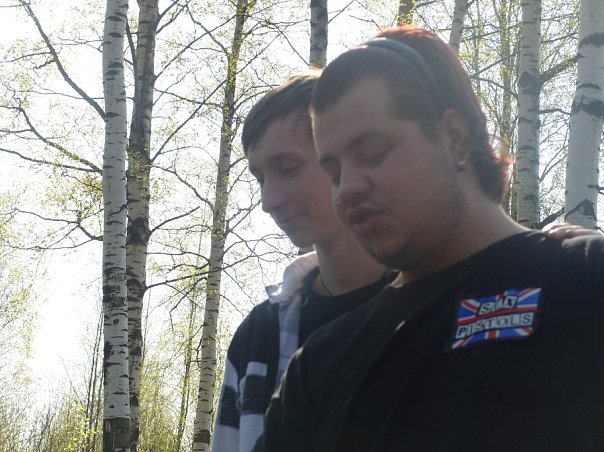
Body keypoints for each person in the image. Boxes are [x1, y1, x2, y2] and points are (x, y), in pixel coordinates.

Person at [259, 25, 604, 452]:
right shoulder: (320, 362)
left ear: (453, 135)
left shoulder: (585, 279)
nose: (347, 188)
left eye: (372, 154)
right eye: (333, 172)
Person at [210, 72, 394, 452]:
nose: (268, 201)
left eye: (288, 169)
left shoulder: (437, 309)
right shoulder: (258, 335)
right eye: (260, 178)